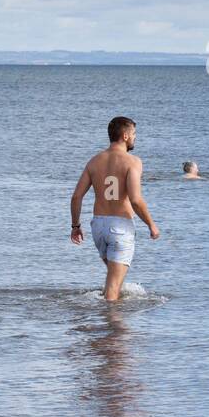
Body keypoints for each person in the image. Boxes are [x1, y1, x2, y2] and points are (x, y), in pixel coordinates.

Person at [70, 116, 159, 301]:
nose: (135, 137)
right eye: (134, 134)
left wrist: (75, 226)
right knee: (113, 287)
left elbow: (77, 196)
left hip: (99, 227)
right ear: (125, 136)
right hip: (120, 227)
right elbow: (135, 199)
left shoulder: (94, 161)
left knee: (113, 282)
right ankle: (112, 326)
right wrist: (151, 224)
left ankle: (108, 320)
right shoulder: (132, 162)